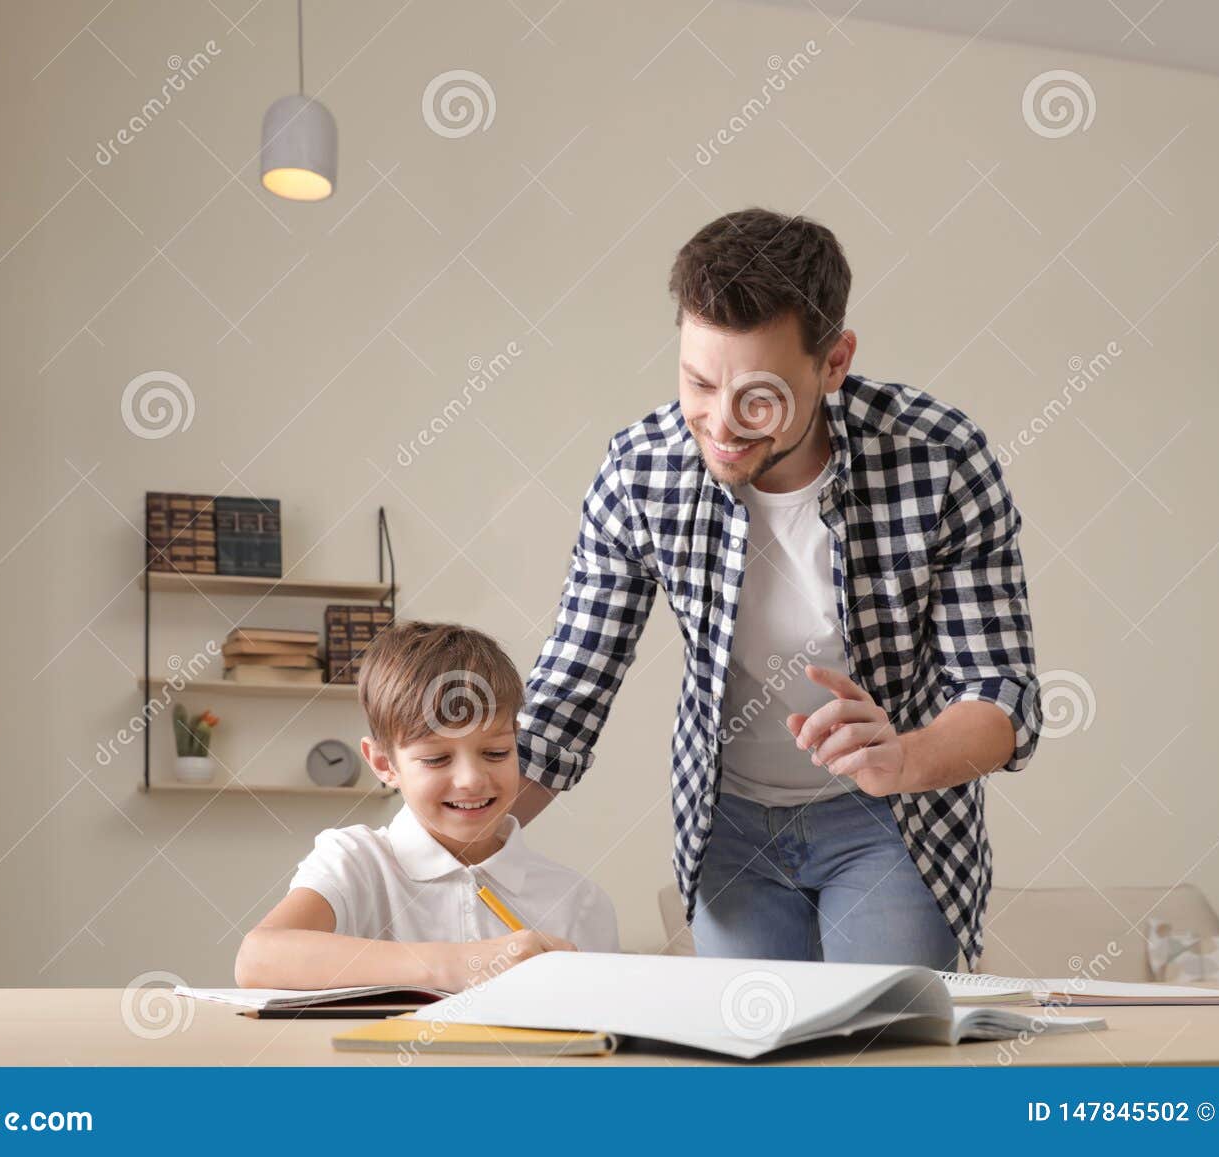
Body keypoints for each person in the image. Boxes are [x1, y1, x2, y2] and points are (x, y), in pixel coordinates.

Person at [512, 208, 1042, 971]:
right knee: (754, 1068)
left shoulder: (939, 458)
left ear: (833, 364)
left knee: (878, 1065)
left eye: (759, 396)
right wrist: (448, 834)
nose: (721, 424)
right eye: (698, 381)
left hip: (893, 820)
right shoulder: (642, 471)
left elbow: (1002, 695)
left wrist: (902, 755)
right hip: (728, 825)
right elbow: (568, 697)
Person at [235, 621, 618, 992]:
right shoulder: (357, 862)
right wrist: (462, 964)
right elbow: (258, 959)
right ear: (385, 763)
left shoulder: (579, 902)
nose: (471, 779)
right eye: (437, 759)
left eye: (496, 752)